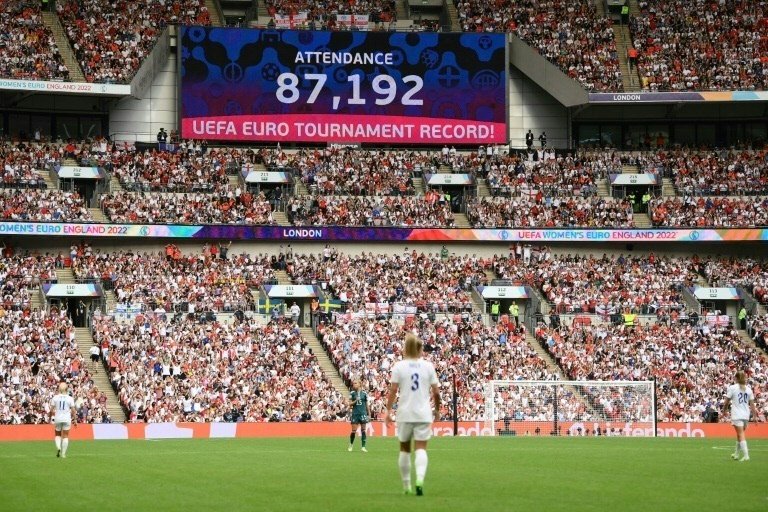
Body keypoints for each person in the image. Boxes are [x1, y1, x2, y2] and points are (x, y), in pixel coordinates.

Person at [385, 333, 440, 496]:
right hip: (423, 414)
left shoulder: (399, 366)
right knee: (421, 448)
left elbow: (393, 390)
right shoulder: (428, 366)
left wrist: (388, 411)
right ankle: (420, 480)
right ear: (420, 348)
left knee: (404, 449)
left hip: (405, 413)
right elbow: (436, 393)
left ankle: (407, 485)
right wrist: (437, 410)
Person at [722, 370, 758, 462]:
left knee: (741, 434)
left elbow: (726, 401)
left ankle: (746, 456)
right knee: (739, 434)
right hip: (746, 415)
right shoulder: (748, 389)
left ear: (737, 378)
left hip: (737, 414)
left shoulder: (733, 388)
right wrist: (754, 417)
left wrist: (724, 411)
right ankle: (736, 454)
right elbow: (752, 404)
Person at [51, 382, 77, 458]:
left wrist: (50, 416)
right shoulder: (70, 398)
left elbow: (51, 409)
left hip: (58, 418)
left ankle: (58, 447)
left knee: (57, 434)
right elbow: (73, 410)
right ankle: (63, 454)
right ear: (66, 389)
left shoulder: (55, 397)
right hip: (66, 418)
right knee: (65, 436)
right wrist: (75, 420)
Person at [348, 380, 371, 452]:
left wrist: (369, 414)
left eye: (355, 383)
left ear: (359, 384)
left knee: (363, 430)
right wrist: (355, 401)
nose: (353, 384)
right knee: (353, 431)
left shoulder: (364, 394)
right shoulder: (352, 393)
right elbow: (350, 404)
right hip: (355, 414)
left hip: (363, 413)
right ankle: (351, 445)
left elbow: (367, 405)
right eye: (353, 383)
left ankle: (363, 447)